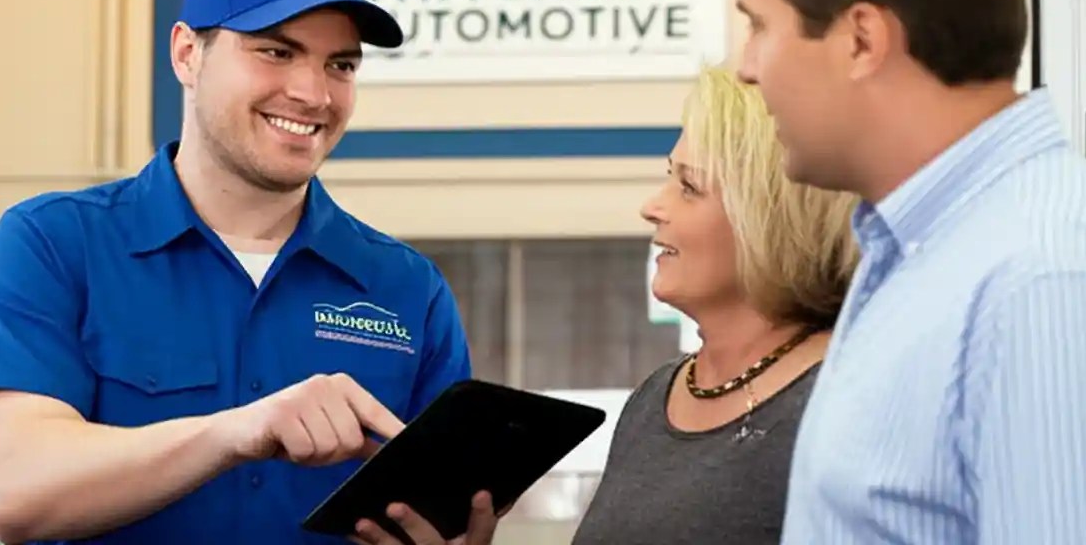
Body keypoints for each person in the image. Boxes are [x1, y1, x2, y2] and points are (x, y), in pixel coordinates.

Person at [0, 0, 493, 545]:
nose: (312, 94)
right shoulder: (55, 244)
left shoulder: (406, 287)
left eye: (340, 65)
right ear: (186, 55)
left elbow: (441, 507)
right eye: (276, 52)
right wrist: (237, 432)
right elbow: (19, 493)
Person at [731, 0, 1086, 544]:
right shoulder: (916, 251)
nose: (746, 68)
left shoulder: (1045, 279)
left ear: (861, 40)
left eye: (760, 26)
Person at [350, 65, 860, 545]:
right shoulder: (657, 397)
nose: (652, 207)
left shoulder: (841, 402)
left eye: (688, 187)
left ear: (769, 221)